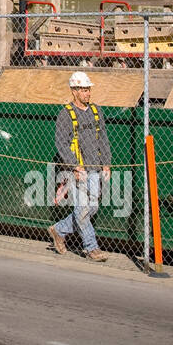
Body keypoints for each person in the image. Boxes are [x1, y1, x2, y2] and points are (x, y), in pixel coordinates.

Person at [48, 71, 111, 262]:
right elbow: (61, 143)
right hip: (77, 170)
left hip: (95, 168)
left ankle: (59, 230)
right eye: (83, 90)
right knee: (83, 210)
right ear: (74, 91)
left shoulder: (96, 111)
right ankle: (91, 248)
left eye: (88, 89)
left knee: (91, 209)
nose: (87, 93)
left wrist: (106, 163)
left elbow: (103, 138)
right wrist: (74, 167)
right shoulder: (66, 114)